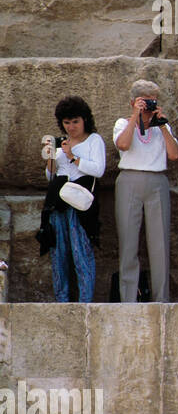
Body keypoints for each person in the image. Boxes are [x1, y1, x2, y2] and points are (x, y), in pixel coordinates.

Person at [113, 79, 178, 302]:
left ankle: (162, 299)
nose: (149, 106)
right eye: (145, 101)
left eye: (153, 101)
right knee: (128, 242)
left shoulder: (163, 126)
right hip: (129, 180)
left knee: (160, 244)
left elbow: (174, 155)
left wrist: (161, 123)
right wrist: (135, 116)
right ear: (133, 102)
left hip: (157, 180)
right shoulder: (123, 123)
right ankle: (128, 299)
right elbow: (123, 145)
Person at [38, 96, 104, 302]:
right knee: (59, 255)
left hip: (79, 204)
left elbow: (99, 170)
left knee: (81, 253)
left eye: (75, 121)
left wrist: (73, 156)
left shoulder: (94, 140)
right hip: (57, 203)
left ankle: (86, 303)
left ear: (84, 119)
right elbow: (50, 176)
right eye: (67, 122)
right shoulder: (60, 141)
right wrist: (51, 158)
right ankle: (62, 301)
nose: (71, 126)